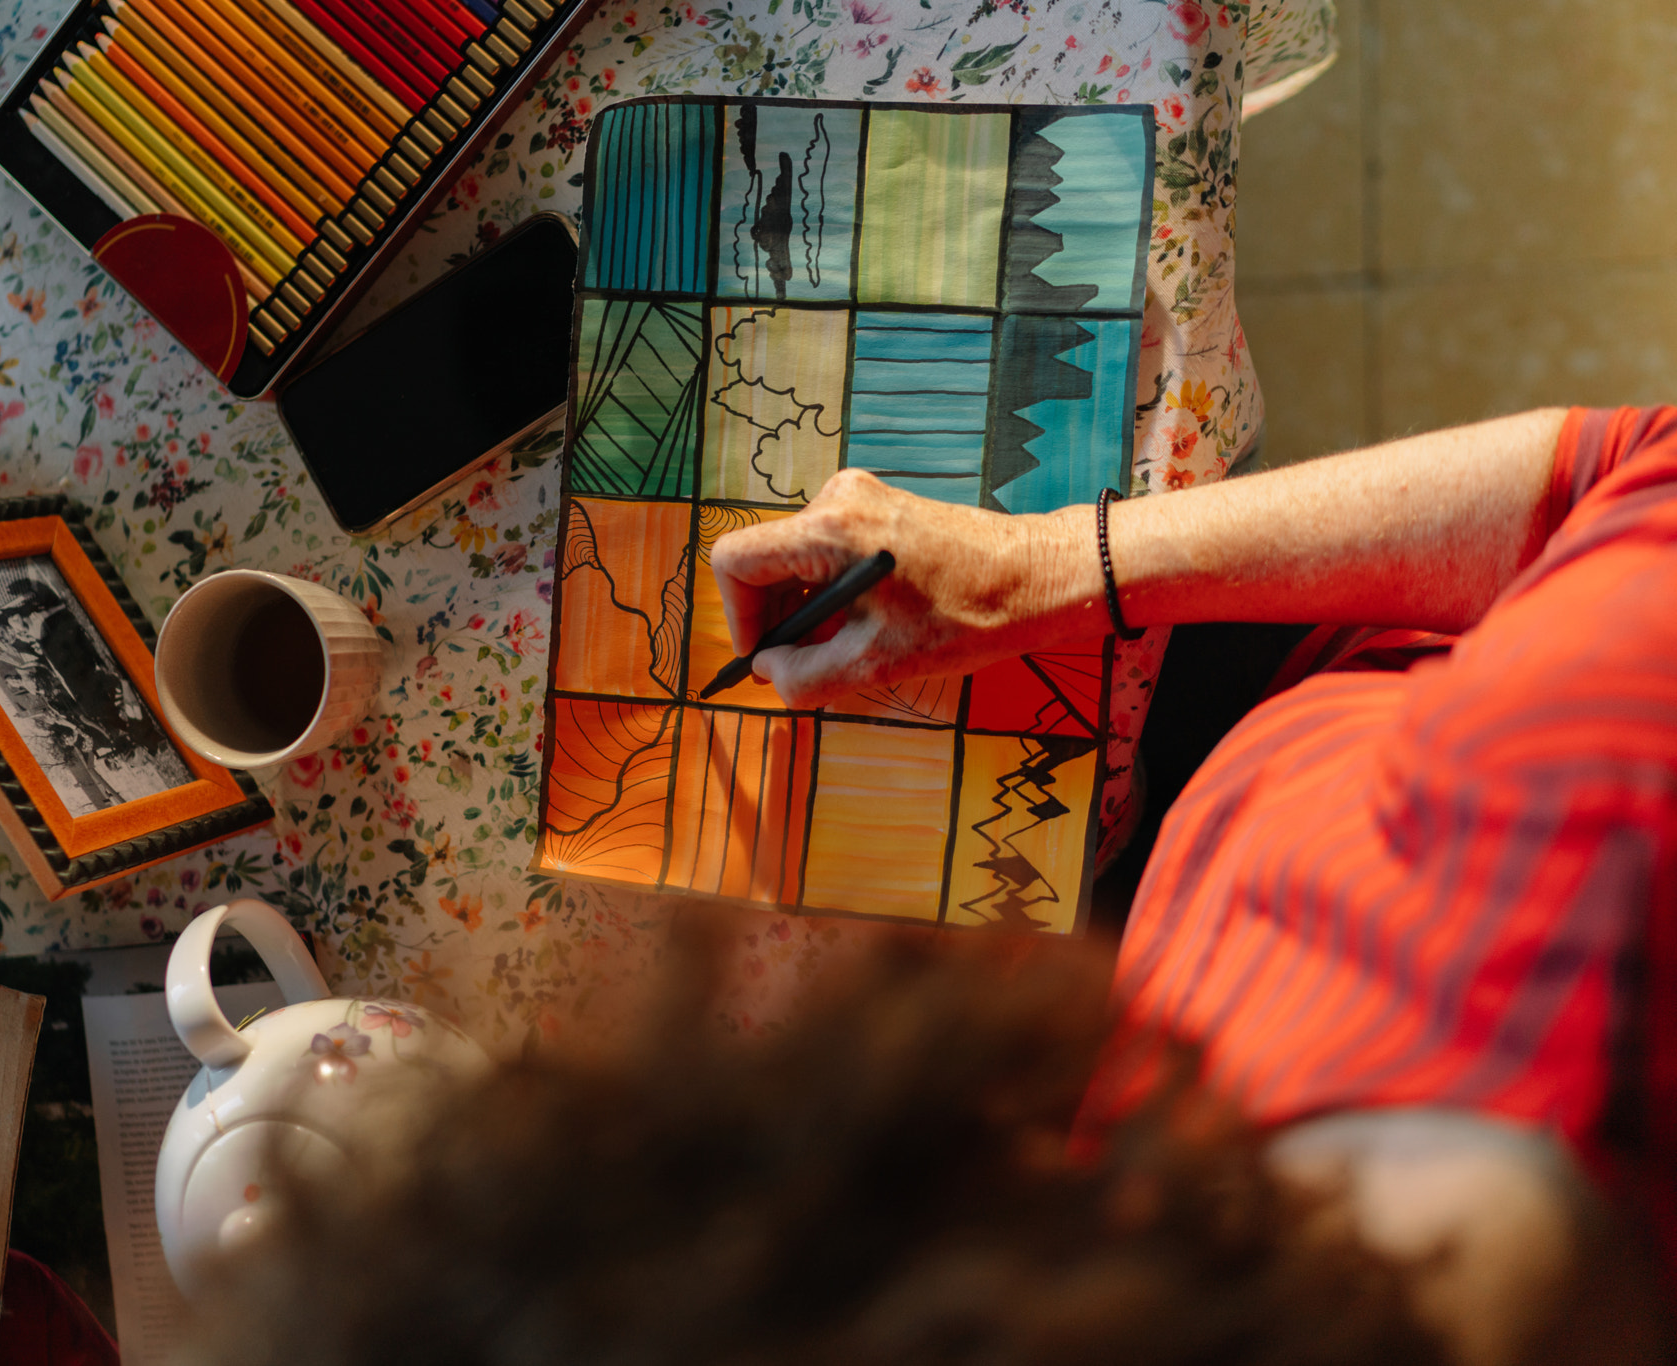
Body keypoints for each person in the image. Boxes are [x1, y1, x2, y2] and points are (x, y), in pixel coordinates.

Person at [189, 408, 1674, 1366]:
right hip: (1333, 695)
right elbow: (1628, 464)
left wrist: (1034, 576)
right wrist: (1049, 565)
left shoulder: (1185, 1270)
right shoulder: (1581, 808)